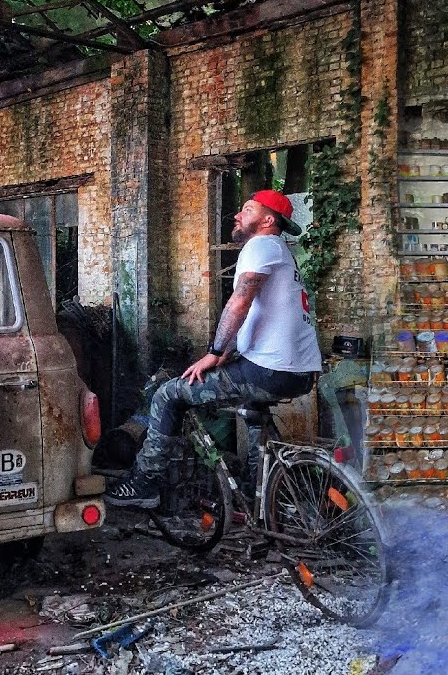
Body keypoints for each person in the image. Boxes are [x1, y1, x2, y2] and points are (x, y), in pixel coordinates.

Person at [105, 189, 323, 508]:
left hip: (269, 370)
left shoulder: (261, 245)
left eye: (247, 210)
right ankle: (261, 496)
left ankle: (144, 483)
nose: (237, 214)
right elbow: (257, 316)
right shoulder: (282, 254)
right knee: (253, 412)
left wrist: (215, 351)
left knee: (168, 395)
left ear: (267, 220)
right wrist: (227, 353)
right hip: (299, 372)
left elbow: (240, 302)